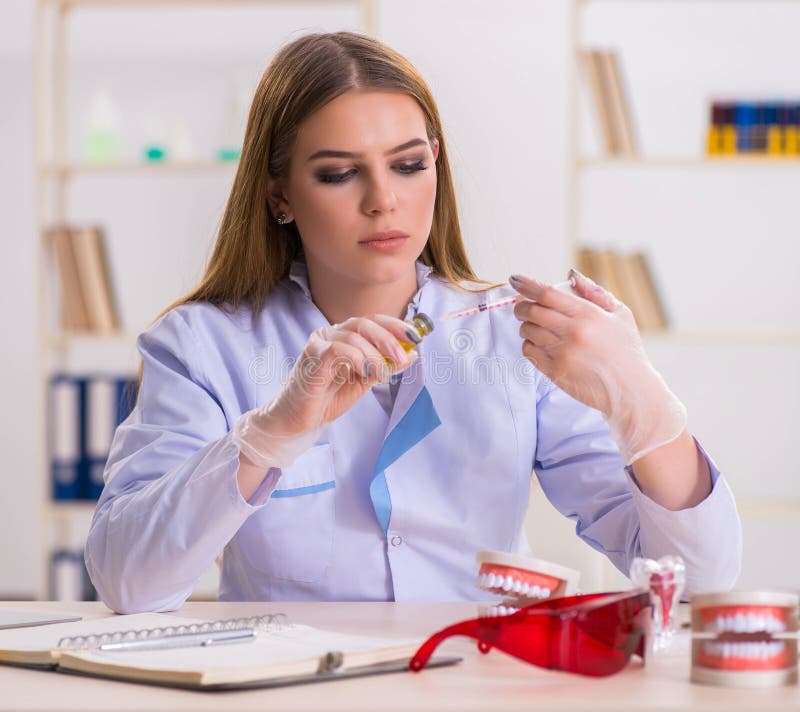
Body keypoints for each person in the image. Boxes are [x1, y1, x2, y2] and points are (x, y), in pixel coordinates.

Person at [85, 31, 741, 614]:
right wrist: (273, 434)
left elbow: (700, 583)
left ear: (435, 162)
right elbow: (130, 584)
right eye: (339, 173)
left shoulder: (512, 338)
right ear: (279, 194)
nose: (383, 201)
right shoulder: (204, 345)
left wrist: (644, 403)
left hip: (478, 681)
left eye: (407, 165)